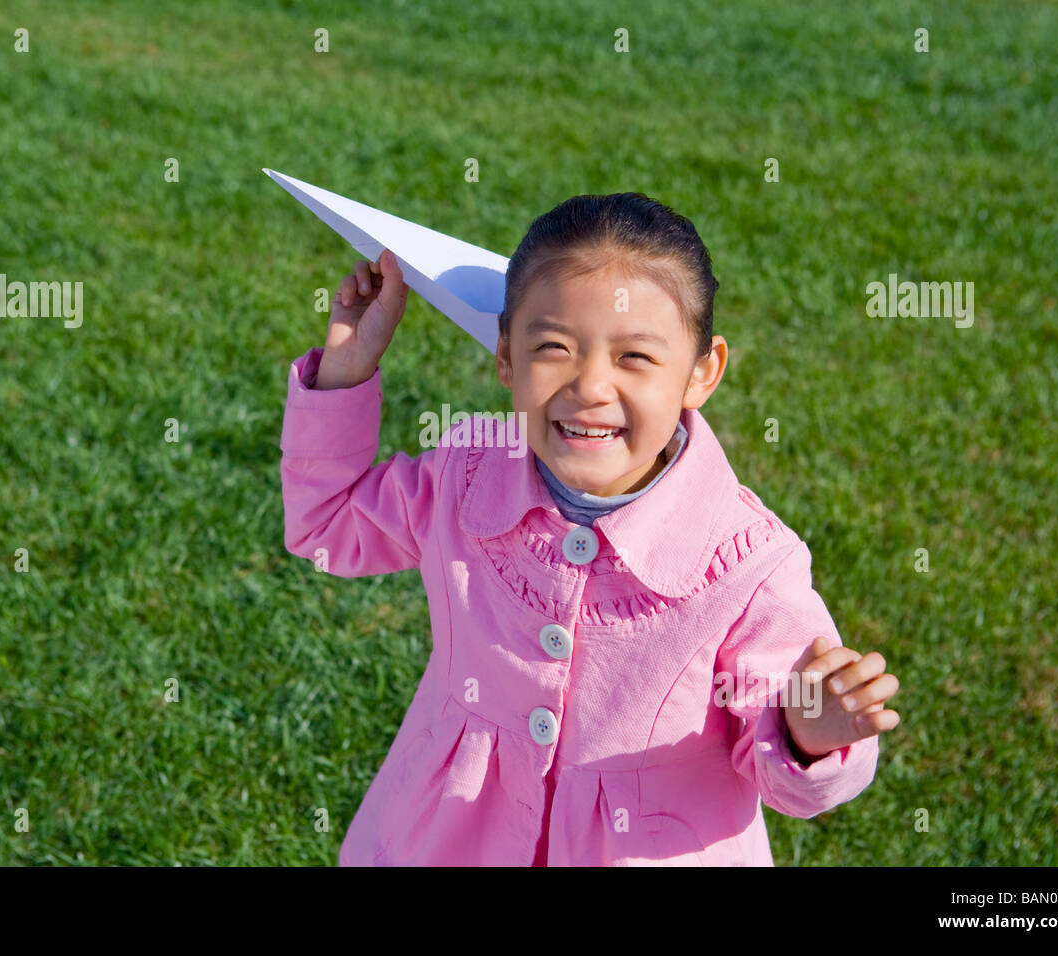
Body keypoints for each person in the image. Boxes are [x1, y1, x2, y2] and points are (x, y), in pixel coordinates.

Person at [280, 192, 901, 865]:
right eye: (553, 347)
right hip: (444, 841)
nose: (590, 386)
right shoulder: (465, 478)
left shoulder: (748, 564)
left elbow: (786, 776)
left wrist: (811, 733)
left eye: (635, 357)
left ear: (703, 372)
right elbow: (326, 527)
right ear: (506, 359)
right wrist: (349, 367)